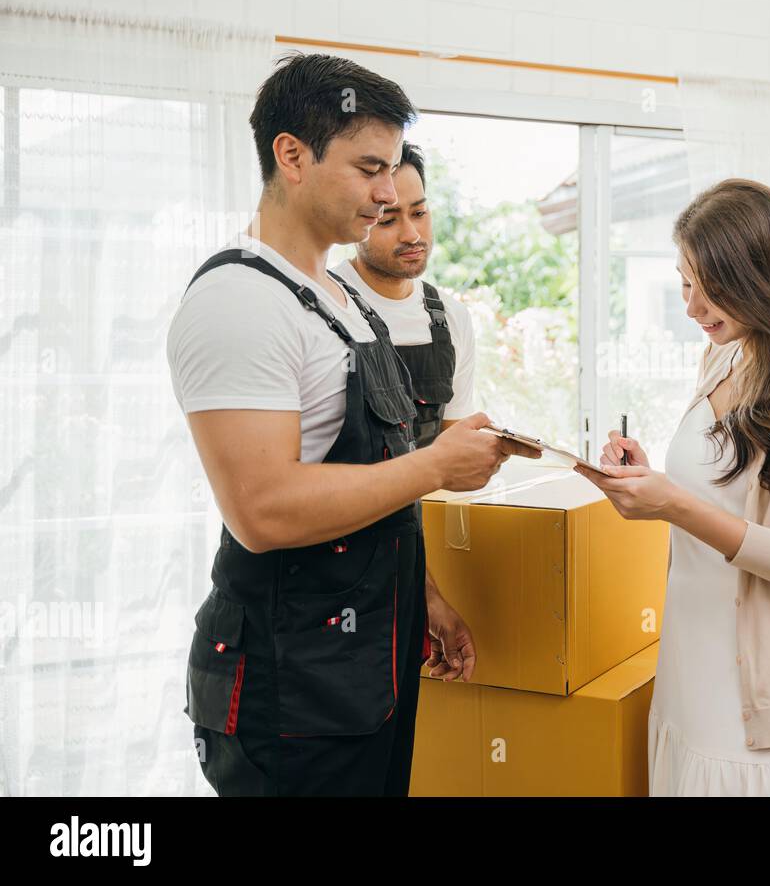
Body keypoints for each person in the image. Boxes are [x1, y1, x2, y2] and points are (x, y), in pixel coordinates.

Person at [166, 53, 537, 797]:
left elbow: (369, 483)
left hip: (367, 666)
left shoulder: (340, 303)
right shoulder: (239, 300)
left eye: (394, 170)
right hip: (288, 685)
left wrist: (424, 596)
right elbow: (263, 511)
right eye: (370, 169)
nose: (388, 192)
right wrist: (437, 465)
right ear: (292, 155)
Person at [578, 178, 770, 797]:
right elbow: (719, 490)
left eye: (710, 288)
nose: (692, 307)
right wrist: (649, 480)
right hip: (691, 658)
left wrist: (676, 505)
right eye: (685, 283)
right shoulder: (724, 355)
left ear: (760, 279)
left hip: (754, 681)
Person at [331, 142, 476, 448]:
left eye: (419, 212)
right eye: (388, 220)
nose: (412, 234)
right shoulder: (325, 305)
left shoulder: (452, 318)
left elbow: (454, 450)